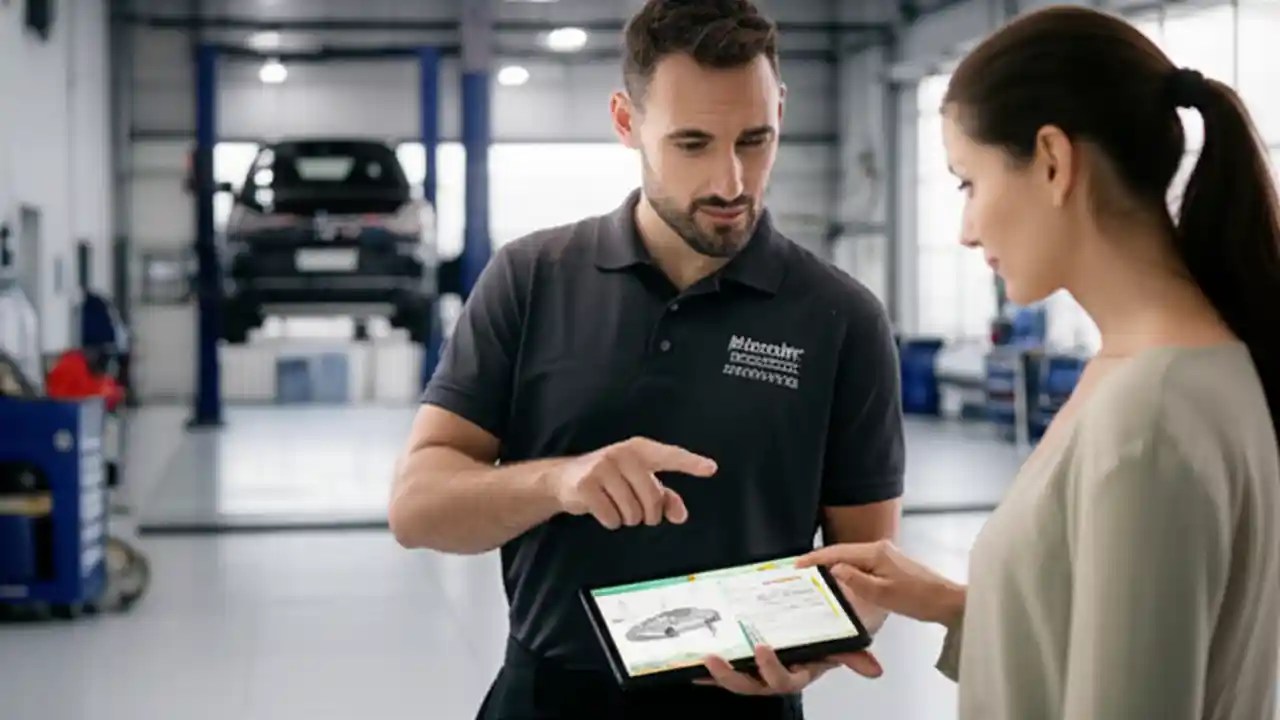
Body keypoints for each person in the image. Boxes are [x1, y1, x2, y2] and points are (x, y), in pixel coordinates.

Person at [389, 0, 904, 717]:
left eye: (756, 140)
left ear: (782, 108)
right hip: (548, 698)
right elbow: (417, 509)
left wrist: (822, 648)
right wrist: (561, 482)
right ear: (626, 122)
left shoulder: (841, 318)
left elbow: (869, 571)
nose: (732, 182)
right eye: (692, 143)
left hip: (742, 706)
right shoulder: (531, 278)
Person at [799, 6, 1280, 720]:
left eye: (967, 182)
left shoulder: (1148, 416)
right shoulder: (1177, 368)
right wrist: (954, 608)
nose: (964, 230)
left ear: (1053, 162)